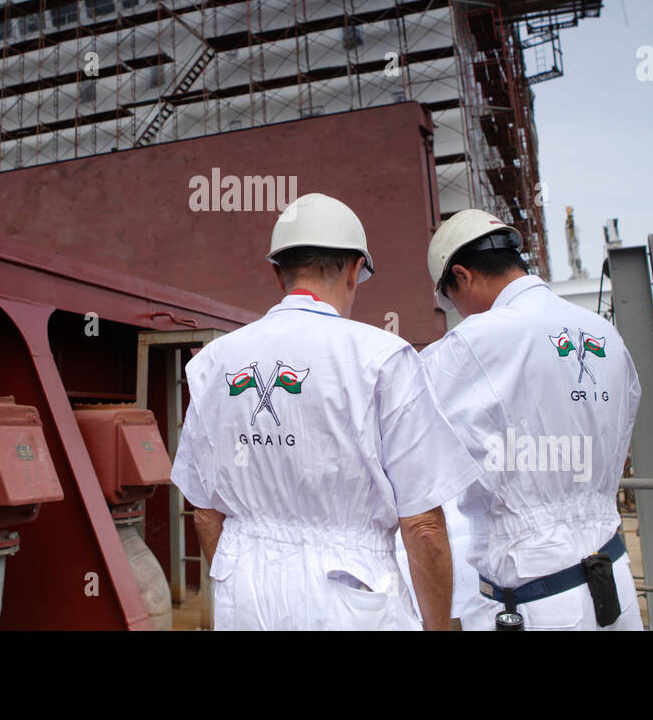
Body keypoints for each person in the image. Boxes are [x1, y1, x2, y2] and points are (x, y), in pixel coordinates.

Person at [171, 193, 480, 630]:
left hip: (245, 597)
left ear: (279, 275)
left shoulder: (213, 362)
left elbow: (204, 510)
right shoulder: (383, 358)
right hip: (349, 598)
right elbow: (424, 526)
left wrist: (247, 565)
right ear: (355, 270)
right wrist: (439, 626)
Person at [422, 209, 643, 630]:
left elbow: (405, 436)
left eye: (451, 301)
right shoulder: (605, 335)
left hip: (535, 601)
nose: (460, 313)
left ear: (463, 277)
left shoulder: (471, 344)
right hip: (612, 582)